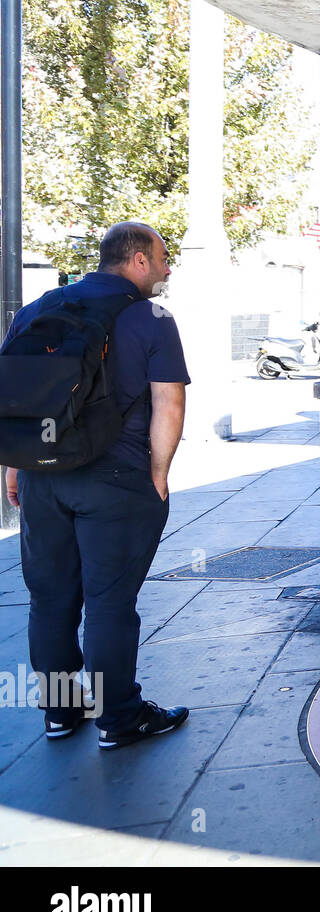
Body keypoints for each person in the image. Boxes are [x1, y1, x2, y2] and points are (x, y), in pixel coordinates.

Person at [2, 222, 190, 750]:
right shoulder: (151, 317)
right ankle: (119, 720)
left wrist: (16, 467)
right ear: (135, 261)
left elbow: (14, 397)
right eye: (161, 258)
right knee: (109, 603)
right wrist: (159, 471)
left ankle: (60, 714)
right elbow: (169, 402)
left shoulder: (40, 308)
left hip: (43, 478)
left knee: (50, 600)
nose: (167, 268)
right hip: (116, 481)